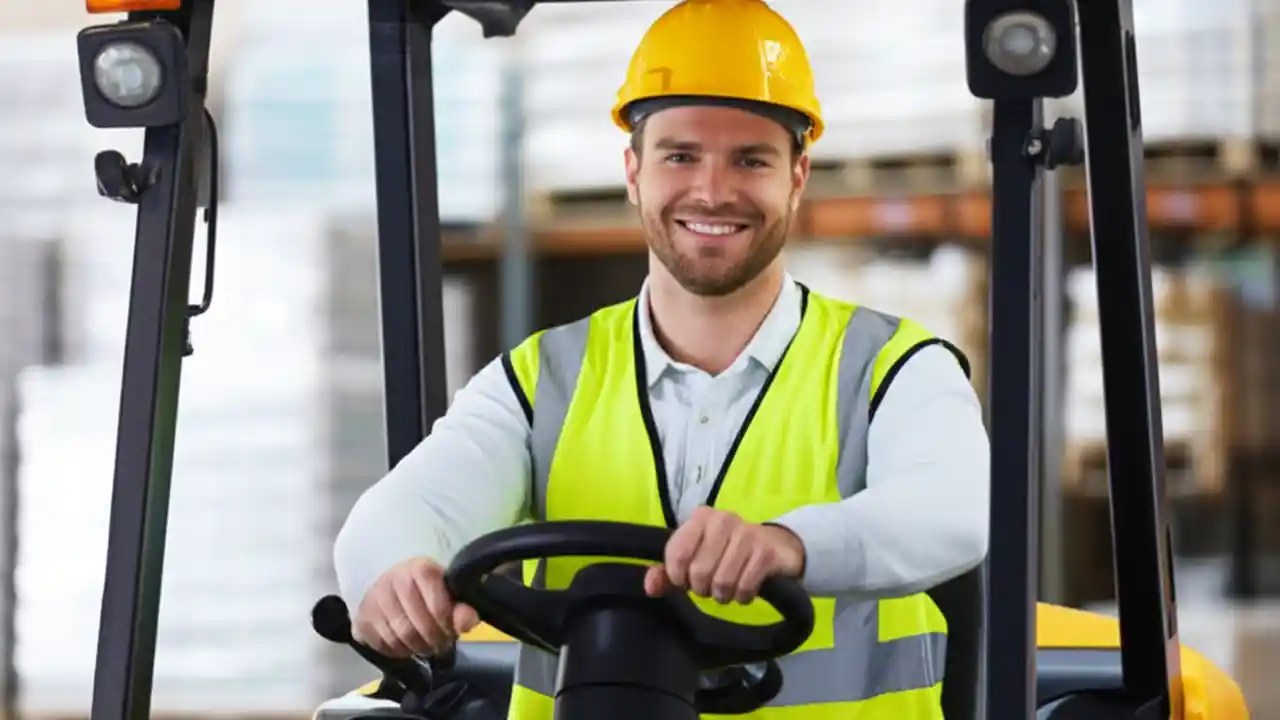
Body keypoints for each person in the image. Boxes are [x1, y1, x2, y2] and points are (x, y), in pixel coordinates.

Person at [334, 0, 989, 717]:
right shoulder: (540, 381)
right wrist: (393, 572)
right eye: (681, 156)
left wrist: (788, 545)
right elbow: (407, 508)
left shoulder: (893, 369)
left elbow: (954, 512)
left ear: (798, 176)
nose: (713, 191)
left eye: (751, 160)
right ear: (633, 172)